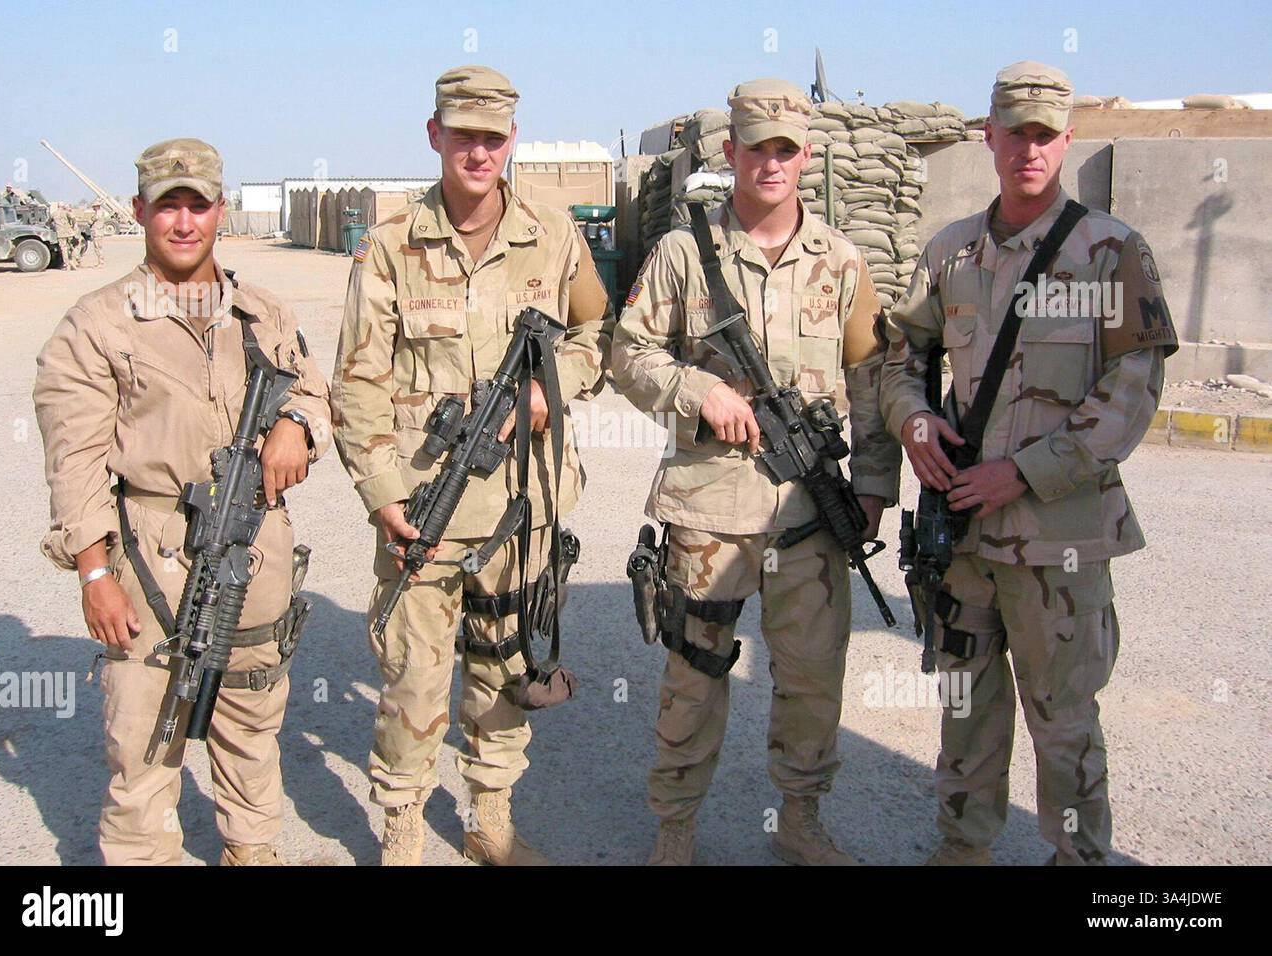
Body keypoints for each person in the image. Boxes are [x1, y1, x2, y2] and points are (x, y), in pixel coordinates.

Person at [880, 61, 1178, 865]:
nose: (1030, 148)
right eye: (1017, 131)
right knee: (964, 711)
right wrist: (912, 421)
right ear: (991, 137)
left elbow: (1132, 391)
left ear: (1068, 141)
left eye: (1047, 134)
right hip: (964, 540)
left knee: (1065, 721)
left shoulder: (1110, 253)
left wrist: (1027, 472)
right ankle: (962, 850)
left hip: (1059, 541)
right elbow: (899, 357)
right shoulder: (951, 252)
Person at [611, 78, 901, 865]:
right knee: (693, 679)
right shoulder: (682, 253)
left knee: (811, 680)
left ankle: (800, 822)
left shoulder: (839, 260)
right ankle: (675, 829)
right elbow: (626, 353)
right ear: (730, 153)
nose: (769, 164)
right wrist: (697, 390)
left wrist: (876, 485)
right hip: (707, 512)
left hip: (809, 513)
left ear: (804, 157)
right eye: (755, 149)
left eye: (785, 150)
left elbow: (874, 379)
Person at [331, 65, 613, 866]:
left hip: (522, 506)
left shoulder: (554, 236)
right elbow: (356, 383)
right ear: (435, 137)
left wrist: (550, 390)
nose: (479, 152)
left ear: (511, 141)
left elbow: (599, 334)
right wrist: (383, 493)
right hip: (424, 507)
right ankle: (403, 828)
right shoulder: (390, 246)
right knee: (414, 679)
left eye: (494, 138)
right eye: (465, 137)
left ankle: (491, 816)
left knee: (501, 668)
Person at [33, 138, 332, 865]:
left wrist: (298, 425)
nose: (184, 220)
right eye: (168, 205)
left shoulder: (262, 312)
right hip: (150, 554)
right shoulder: (96, 324)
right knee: (143, 746)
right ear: (140, 211)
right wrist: (94, 574)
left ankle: (252, 853)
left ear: (220, 211)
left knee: (251, 731)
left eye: (198, 204)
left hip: (255, 548)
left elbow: (318, 392)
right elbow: (74, 460)